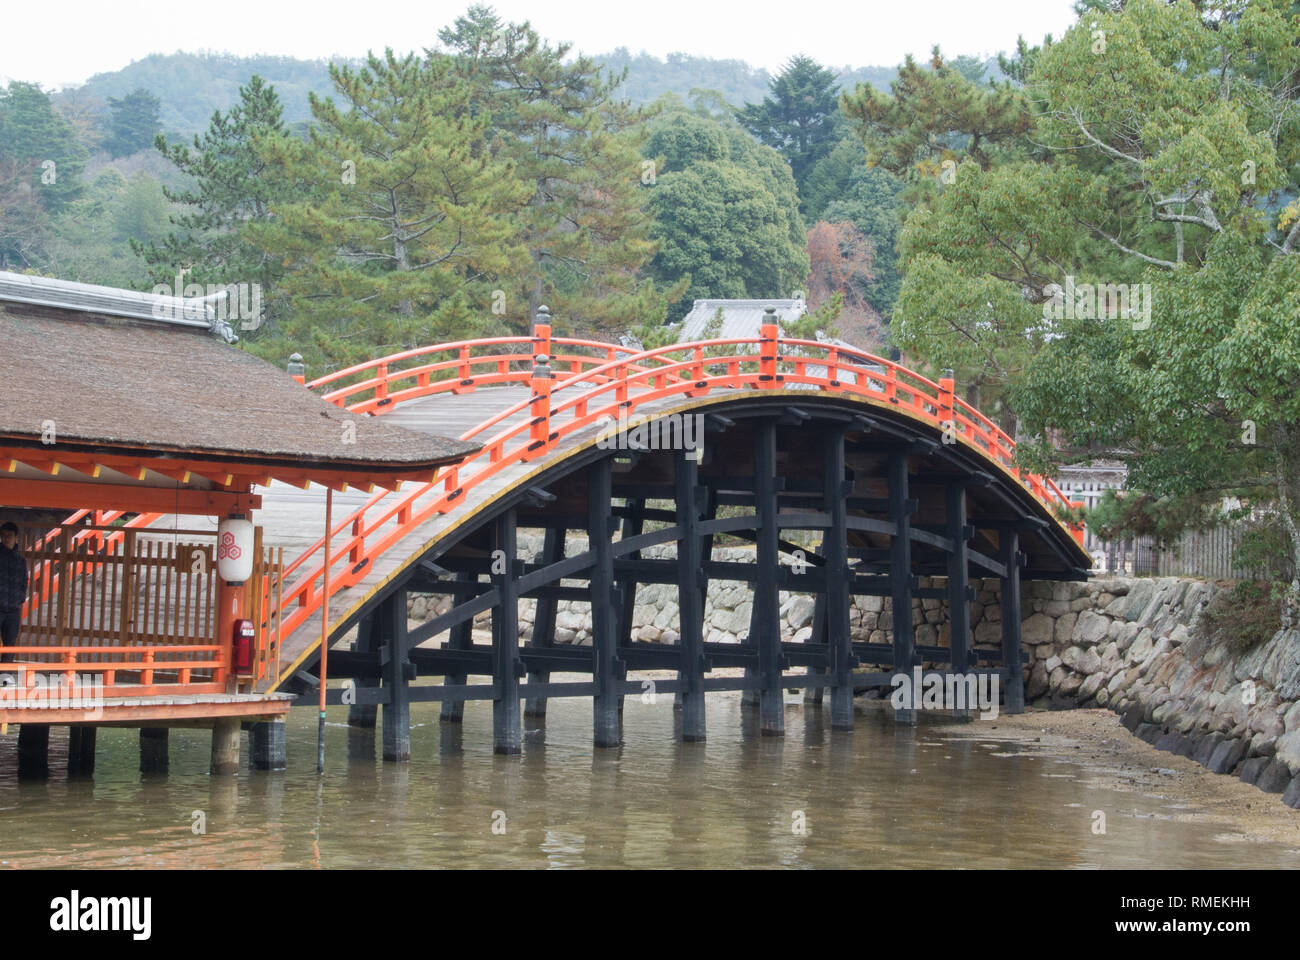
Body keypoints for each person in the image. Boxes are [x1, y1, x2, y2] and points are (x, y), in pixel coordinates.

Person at [0, 522, 27, 662]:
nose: (6, 539)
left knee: (10, 642)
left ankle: (5, 674)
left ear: (16, 538)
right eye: (3, 536)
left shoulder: (21, 560)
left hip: (13, 609)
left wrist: (20, 598)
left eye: (9, 536)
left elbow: (24, 582)